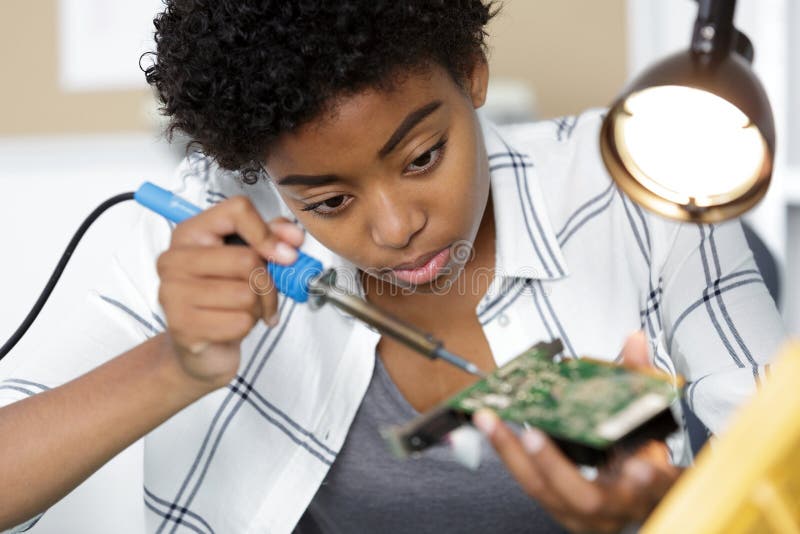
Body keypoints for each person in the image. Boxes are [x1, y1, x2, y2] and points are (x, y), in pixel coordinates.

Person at [0, 1, 785, 533]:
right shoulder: (200, 241)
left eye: (422, 156)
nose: (398, 226)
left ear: (471, 70)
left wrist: (662, 511)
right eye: (329, 201)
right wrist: (174, 366)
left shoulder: (646, 180)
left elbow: (781, 485)